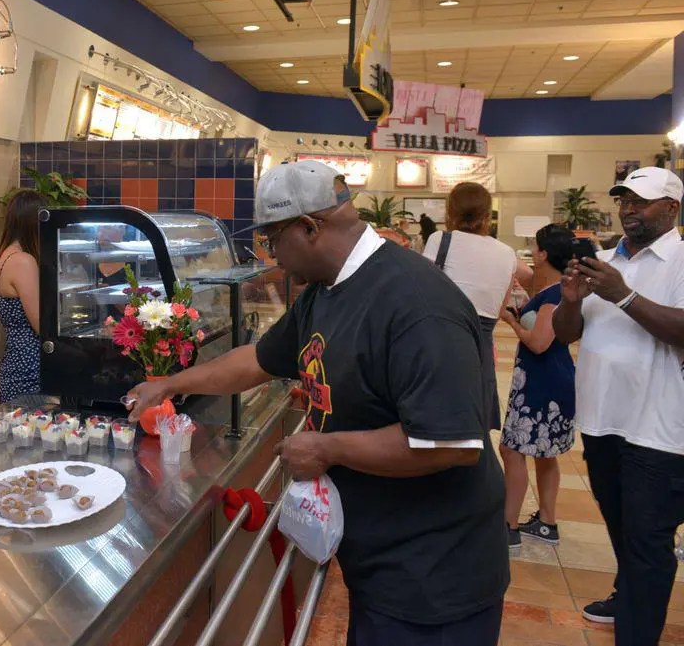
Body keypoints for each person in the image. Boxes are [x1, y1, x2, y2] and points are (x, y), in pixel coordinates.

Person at [126, 161, 507, 645]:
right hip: (382, 561)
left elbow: (450, 444)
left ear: (310, 227)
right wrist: (171, 382)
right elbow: (258, 360)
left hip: (436, 574)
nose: (270, 256)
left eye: (271, 239)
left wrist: (329, 448)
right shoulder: (325, 292)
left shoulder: (415, 303)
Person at [552, 166, 684, 643]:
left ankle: (637, 632)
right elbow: (569, 333)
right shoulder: (606, 261)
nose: (628, 210)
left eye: (640, 201)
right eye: (624, 200)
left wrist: (623, 295)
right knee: (623, 529)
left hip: (658, 430)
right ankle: (627, 595)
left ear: (671, 207)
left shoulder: (680, 261)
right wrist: (570, 300)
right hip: (603, 421)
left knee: (648, 543)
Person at [424, 182, 533, 428]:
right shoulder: (506, 253)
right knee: (475, 430)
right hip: (481, 350)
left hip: (437, 345)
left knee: (433, 429)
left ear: (449, 212)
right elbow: (501, 306)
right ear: (487, 215)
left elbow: (421, 289)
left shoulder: (440, 240)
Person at [497, 224, 576, 550]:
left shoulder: (555, 294)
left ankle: (508, 527)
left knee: (512, 450)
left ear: (543, 253)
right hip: (553, 380)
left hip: (541, 383)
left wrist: (512, 321)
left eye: (534, 246)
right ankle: (547, 522)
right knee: (545, 455)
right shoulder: (556, 290)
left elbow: (540, 343)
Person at [0, 189, 43, 403]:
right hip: (29, 369)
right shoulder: (23, 261)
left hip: (15, 363)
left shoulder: (4, 256)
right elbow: (40, 324)